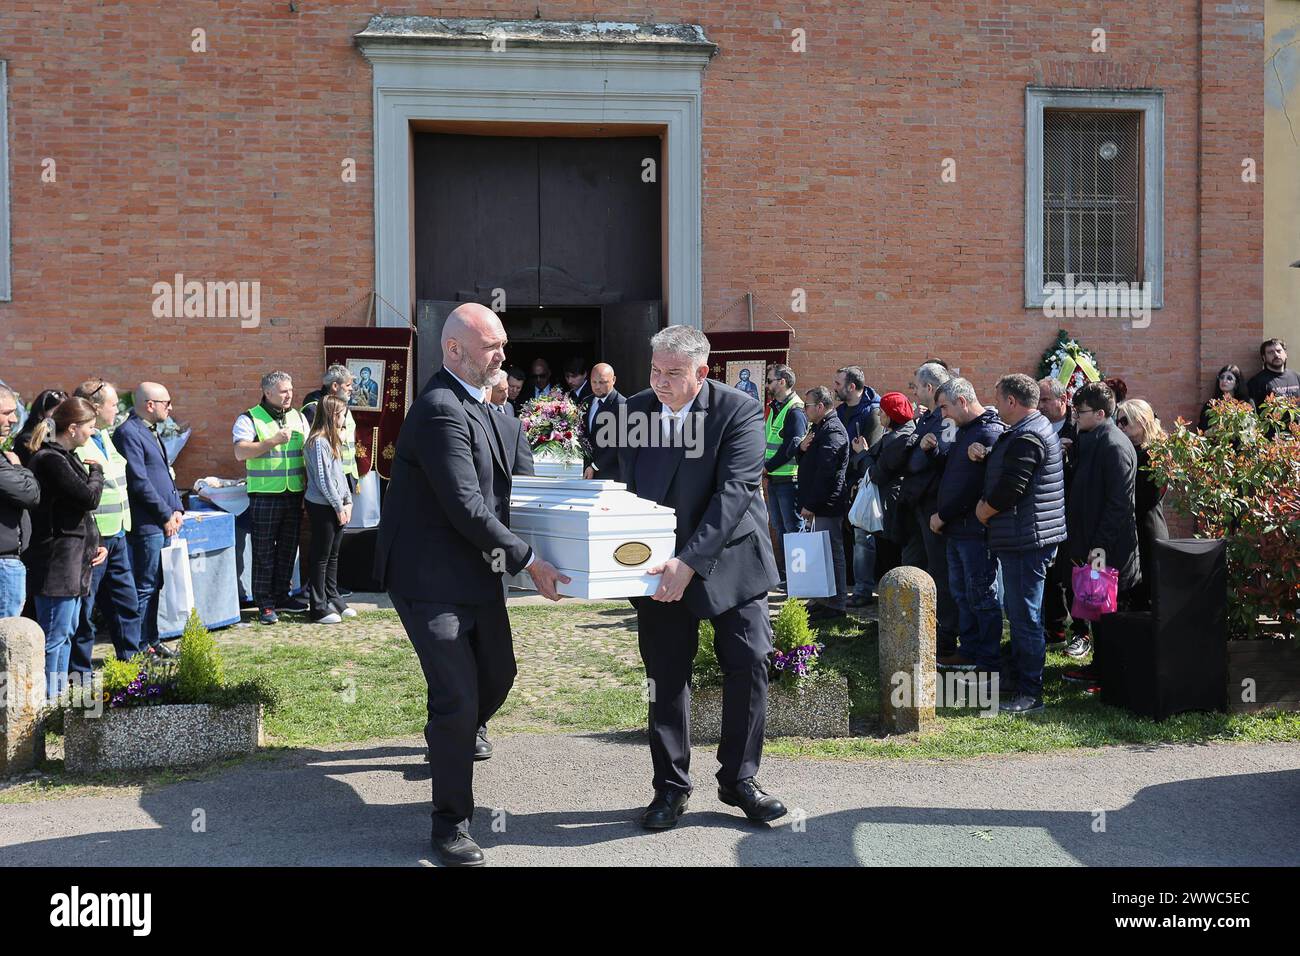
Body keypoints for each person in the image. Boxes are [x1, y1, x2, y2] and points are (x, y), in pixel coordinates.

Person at [375, 302, 567, 867]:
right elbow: (465, 503)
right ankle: (450, 824)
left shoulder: (481, 405)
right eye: (492, 346)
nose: (503, 354)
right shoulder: (440, 407)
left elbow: (509, 489)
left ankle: (454, 734)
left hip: (476, 571)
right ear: (454, 349)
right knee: (456, 696)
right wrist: (530, 559)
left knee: (499, 673)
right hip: (428, 577)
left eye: (502, 343)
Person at [619, 325, 787, 833]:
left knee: (751, 660)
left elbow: (734, 493)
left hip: (730, 561)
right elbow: (623, 488)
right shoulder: (634, 413)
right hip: (659, 568)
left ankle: (740, 780)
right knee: (665, 677)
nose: (660, 382)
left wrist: (689, 562)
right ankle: (669, 787)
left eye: (673, 373)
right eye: (654, 370)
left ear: (702, 372)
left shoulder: (737, 410)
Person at [976, 374, 1067, 715]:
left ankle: (1031, 691)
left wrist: (984, 511)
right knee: (1024, 613)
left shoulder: (1028, 435)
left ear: (1012, 402)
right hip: (1027, 535)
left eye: (998, 399)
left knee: (1024, 616)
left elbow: (1012, 486)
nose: (996, 406)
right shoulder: (1030, 428)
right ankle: (1020, 679)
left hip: (1025, 538)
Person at [24, 398, 106, 699]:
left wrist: (97, 544)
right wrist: (97, 472)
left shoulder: (66, 455)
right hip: (57, 560)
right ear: (72, 428)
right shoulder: (51, 459)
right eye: (89, 428)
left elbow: (82, 513)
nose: (92, 434)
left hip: (75, 559)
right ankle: (46, 700)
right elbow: (87, 498)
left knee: (68, 630)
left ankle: (57, 697)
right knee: (54, 634)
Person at [1062, 381, 1140, 681]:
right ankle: (1102, 669)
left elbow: (1118, 505)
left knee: (1109, 614)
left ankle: (1111, 674)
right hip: (1095, 545)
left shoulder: (1113, 445)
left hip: (1109, 549)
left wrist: (1098, 547)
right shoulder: (1093, 439)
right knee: (1098, 613)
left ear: (1099, 413)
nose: (1075, 418)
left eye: (1079, 413)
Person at [928, 378, 1004, 676]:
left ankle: (988, 660)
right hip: (957, 530)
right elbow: (955, 473)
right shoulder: (967, 431)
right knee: (962, 594)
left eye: (945, 407)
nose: (943, 414)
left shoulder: (987, 432)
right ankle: (969, 651)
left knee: (982, 596)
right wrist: (933, 452)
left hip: (974, 531)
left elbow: (972, 487)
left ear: (962, 401)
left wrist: (942, 515)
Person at [70, 380, 144, 670]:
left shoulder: (103, 436)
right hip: (95, 539)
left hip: (118, 533)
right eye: (114, 404)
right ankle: (79, 673)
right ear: (96, 408)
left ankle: (132, 664)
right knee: (85, 610)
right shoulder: (78, 442)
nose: (118, 409)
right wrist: (93, 537)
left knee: (126, 603)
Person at [113, 382, 184, 657]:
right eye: (166, 402)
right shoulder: (128, 432)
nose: (171, 407)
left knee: (156, 583)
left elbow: (164, 473)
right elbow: (139, 481)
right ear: (149, 404)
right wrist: (164, 513)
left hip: (162, 520)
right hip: (147, 522)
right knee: (144, 585)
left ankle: (152, 640)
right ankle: (140, 646)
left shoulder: (149, 430)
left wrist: (177, 507)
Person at [234, 371, 309, 625]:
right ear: (267, 392)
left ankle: (282, 595)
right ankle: (264, 604)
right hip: (265, 494)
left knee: (288, 549)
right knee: (264, 551)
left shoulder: (298, 417)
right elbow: (240, 452)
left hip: (294, 492)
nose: (289, 395)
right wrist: (272, 441)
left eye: (290, 389)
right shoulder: (249, 418)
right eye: (283, 391)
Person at [903, 362, 957, 655]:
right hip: (919, 504)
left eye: (916, 386)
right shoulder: (928, 417)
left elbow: (943, 460)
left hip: (935, 505)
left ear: (930, 388)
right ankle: (913, 624)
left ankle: (945, 635)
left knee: (940, 572)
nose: (913, 391)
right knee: (913, 563)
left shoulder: (946, 418)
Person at [796, 386, 850, 621]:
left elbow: (826, 473)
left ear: (820, 407)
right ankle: (821, 598)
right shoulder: (819, 427)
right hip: (817, 503)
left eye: (807, 405)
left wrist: (812, 504)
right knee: (820, 554)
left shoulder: (833, 431)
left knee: (832, 553)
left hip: (826, 504)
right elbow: (810, 461)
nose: (805, 410)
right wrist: (801, 448)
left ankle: (837, 604)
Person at [303, 395, 355, 625]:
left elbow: (339, 475)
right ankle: (317, 606)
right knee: (321, 556)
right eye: (342, 414)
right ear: (332, 415)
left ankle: (333, 597)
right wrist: (337, 506)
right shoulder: (318, 441)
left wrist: (348, 501)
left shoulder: (333, 440)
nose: (344, 418)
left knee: (334, 554)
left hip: (336, 505)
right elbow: (323, 480)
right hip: (322, 505)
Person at [1037, 377, 1080, 649]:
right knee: (1050, 575)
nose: (1040, 405)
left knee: (1073, 574)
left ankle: (1081, 631)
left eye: (1045, 400)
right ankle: (1055, 631)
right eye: (1038, 400)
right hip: (1045, 513)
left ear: (1063, 400)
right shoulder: (1037, 426)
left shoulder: (1077, 429)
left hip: (1072, 512)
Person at [836, 366, 883, 607]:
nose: (835, 387)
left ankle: (864, 589)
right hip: (843, 483)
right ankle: (850, 585)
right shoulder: (841, 411)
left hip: (861, 484)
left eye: (838, 383)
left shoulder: (872, 413)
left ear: (851, 387)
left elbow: (871, 452)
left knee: (863, 537)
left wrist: (855, 462)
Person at [1116, 399, 1169, 612]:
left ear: (1141, 421)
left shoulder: (1155, 453)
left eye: (1124, 421)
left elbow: (1148, 497)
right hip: (1132, 527)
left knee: (1148, 591)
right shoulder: (1129, 449)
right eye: (1117, 421)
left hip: (1147, 529)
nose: (1119, 426)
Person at [857, 392, 915, 583]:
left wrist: (863, 454)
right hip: (892, 501)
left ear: (890, 416)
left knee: (890, 553)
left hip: (891, 503)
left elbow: (878, 473)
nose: (879, 416)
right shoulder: (897, 434)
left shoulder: (897, 440)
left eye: (882, 412)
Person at [763, 364, 807, 580]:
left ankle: (800, 579)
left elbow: (792, 447)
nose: (767, 385)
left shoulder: (795, 410)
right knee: (780, 529)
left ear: (782, 382)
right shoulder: (776, 407)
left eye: (770, 380)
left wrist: (766, 467)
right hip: (775, 479)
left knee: (793, 530)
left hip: (790, 479)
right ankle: (791, 576)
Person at [0, 384, 40, 618]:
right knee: (8, 637)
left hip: (9, 559)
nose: (14, 419)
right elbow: (30, 494)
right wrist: (18, 467)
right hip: (4, 561)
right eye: (6, 412)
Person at [302, 365, 360, 491]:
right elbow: (315, 445)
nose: (351, 389)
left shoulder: (342, 404)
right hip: (328, 478)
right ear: (335, 386)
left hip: (345, 475)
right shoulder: (314, 408)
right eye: (348, 385)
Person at [582, 363, 624, 481]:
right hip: (585, 471)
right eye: (593, 382)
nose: (597, 387)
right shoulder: (586, 402)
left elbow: (619, 444)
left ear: (613, 380)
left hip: (610, 474)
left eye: (602, 382)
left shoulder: (622, 405)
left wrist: (595, 466)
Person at [13, 389, 68, 467]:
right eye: (57, 411)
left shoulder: (60, 436)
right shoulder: (28, 439)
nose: (63, 416)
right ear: (42, 412)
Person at [1199, 363, 1254, 431]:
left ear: (1236, 383)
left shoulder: (1247, 403)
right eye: (1222, 377)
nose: (1224, 381)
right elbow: (1202, 430)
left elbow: (1252, 427)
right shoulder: (1211, 405)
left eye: (1229, 378)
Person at [1247, 338, 1300, 408]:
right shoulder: (1256, 382)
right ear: (1264, 358)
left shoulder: (1297, 377)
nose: (1276, 355)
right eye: (1270, 352)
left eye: (1279, 351)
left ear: (1286, 354)